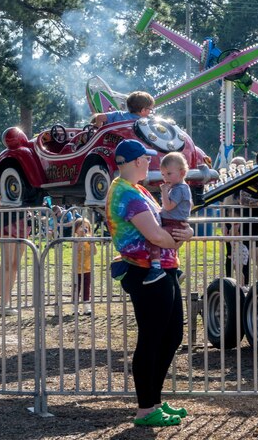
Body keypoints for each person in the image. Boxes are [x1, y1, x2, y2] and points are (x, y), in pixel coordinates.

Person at [106, 138, 192, 427]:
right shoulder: (125, 192)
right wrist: (180, 237)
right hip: (144, 273)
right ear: (135, 162)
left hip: (163, 270)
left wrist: (183, 233)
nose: (150, 162)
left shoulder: (139, 189)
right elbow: (155, 234)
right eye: (145, 158)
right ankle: (145, 408)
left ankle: (154, 400)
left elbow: (166, 225)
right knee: (152, 338)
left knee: (171, 337)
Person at [0, 173, 30, 318]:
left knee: (15, 265)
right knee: (6, 264)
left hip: (22, 221)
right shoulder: (4, 176)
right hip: (6, 222)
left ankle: (6, 303)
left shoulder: (27, 178)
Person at [147, 153, 192, 285]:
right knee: (167, 248)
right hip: (173, 222)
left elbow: (168, 206)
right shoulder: (180, 188)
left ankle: (156, 268)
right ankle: (175, 271)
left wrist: (164, 192)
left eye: (169, 174)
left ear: (182, 173)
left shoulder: (179, 189)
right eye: (163, 175)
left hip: (174, 224)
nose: (165, 178)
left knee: (154, 239)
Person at [92, 90, 156, 128]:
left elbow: (99, 117)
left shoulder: (119, 114)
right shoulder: (143, 123)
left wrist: (98, 127)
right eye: (150, 110)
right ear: (143, 110)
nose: (151, 112)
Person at [73, 218, 96, 315]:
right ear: (76, 229)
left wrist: (92, 244)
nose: (84, 229)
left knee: (86, 287)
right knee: (76, 287)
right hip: (76, 269)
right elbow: (76, 250)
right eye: (81, 226)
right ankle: (75, 307)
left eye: (86, 227)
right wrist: (81, 240)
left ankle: (86, 307)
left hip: (87, 268)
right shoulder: (74, 240)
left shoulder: (89, 239)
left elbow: (94, 252)